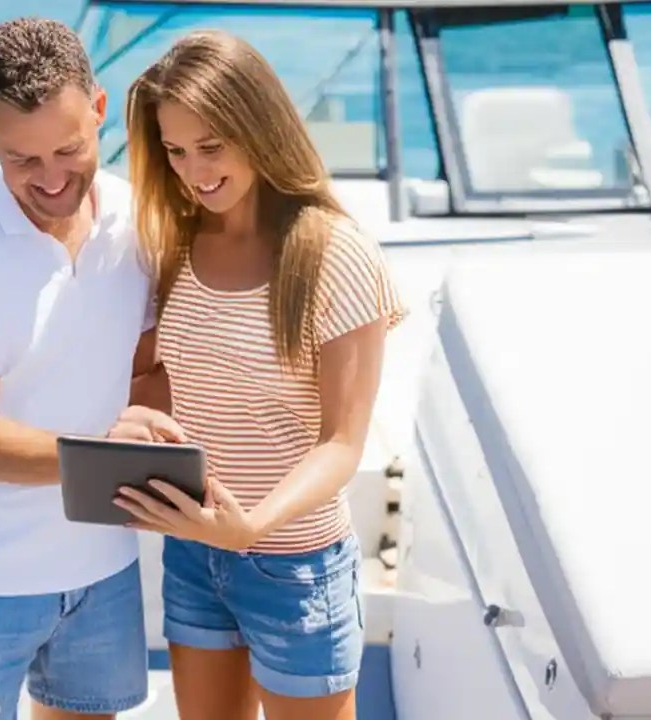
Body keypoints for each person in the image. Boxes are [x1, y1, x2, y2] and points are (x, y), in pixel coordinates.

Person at [107, 30, 408, 720]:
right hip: (192, 551)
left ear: (258, 127)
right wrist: (134, 419)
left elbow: (341, 444)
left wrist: (251, 527)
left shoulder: (336, 255)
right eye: (176, 151)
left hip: (294, 565)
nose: (194, 171)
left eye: (211, 147)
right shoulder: (176, 246)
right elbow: (160, 376)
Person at [0, 17, 175, 720]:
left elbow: (147, 368)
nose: (53, 179)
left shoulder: (139, 217)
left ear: (101, 109)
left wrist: (147, 424)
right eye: (24, 159)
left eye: (69, 148)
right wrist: (110, 460)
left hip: (103, 568)